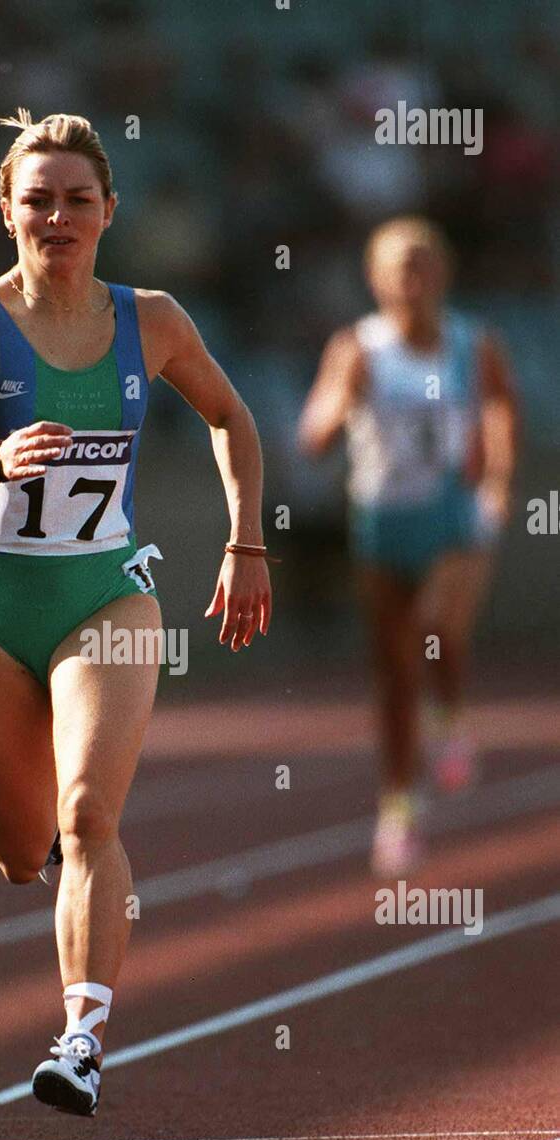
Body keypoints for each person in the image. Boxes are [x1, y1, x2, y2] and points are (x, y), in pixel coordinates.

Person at [0, 110, 272, 1116]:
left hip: (107, 595)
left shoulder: (149, 320)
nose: (56, 217)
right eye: (37, 200)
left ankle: (80, 1037)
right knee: (20, 849)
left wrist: (245, 541)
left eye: (76, 200)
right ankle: (65, 877)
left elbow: (231, 417)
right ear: (7, 211)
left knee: (86, 813)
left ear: (108, 211)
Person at [298, 217, 517, 875]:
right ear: (375, 278)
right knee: (394, 675)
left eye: (424, 264)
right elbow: (313, 432)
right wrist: (335, 410)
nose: (413, 278)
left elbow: (502, 407)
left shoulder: (470, 344)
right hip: (381, 521)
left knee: (436, 627)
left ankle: (448, 715)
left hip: (453, 513)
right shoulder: (358, 348)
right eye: (400, 266)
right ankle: (398, 807)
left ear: (443, 273)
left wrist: (500, 482)